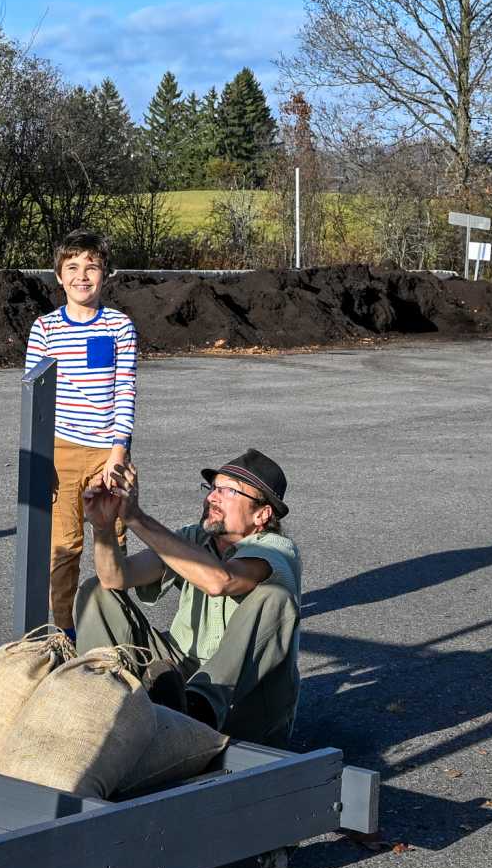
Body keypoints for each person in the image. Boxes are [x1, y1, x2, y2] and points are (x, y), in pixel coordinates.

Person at [78, 450, 303, 747]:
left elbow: (219, 581)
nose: (212, 497)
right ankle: (100, 704)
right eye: (212, 488)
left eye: (228, 491)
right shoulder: (195, 538)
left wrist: (136, 517)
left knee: (274, 599)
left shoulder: (277, 549)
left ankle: (196, 712)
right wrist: (104, 527)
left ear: (262, 514)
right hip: (177, 678)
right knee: (97, 591)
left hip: (243, 703)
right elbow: (115, 577)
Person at [24, 227, 138, 632]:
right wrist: (43, 459)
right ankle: (65, 631)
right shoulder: (45, 330)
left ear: (106, 274)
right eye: (72, 267)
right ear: (58, 276)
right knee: (64, 547)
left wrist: (118, 454)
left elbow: (125, 388)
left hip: (108, 452)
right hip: (62, 451)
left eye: (92, 267)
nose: (82, 276)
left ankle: (114, 625)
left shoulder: (120, 327)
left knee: (113, 540)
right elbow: (34, 400)